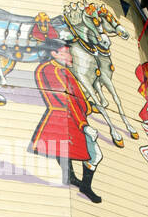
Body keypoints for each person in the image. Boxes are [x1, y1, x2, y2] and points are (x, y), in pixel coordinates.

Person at [29, 38, 102, 202]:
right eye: (66, 52)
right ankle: (80, 183)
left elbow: (77, 97)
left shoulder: (63, 71)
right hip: (65, 118)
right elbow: (66, 99)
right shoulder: (49, 70)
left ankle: (74, 179)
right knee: (92, 153)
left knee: (69, 149)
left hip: (73, 117)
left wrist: (88, 107)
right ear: (54, 53)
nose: (70, 56)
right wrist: (83, 125)